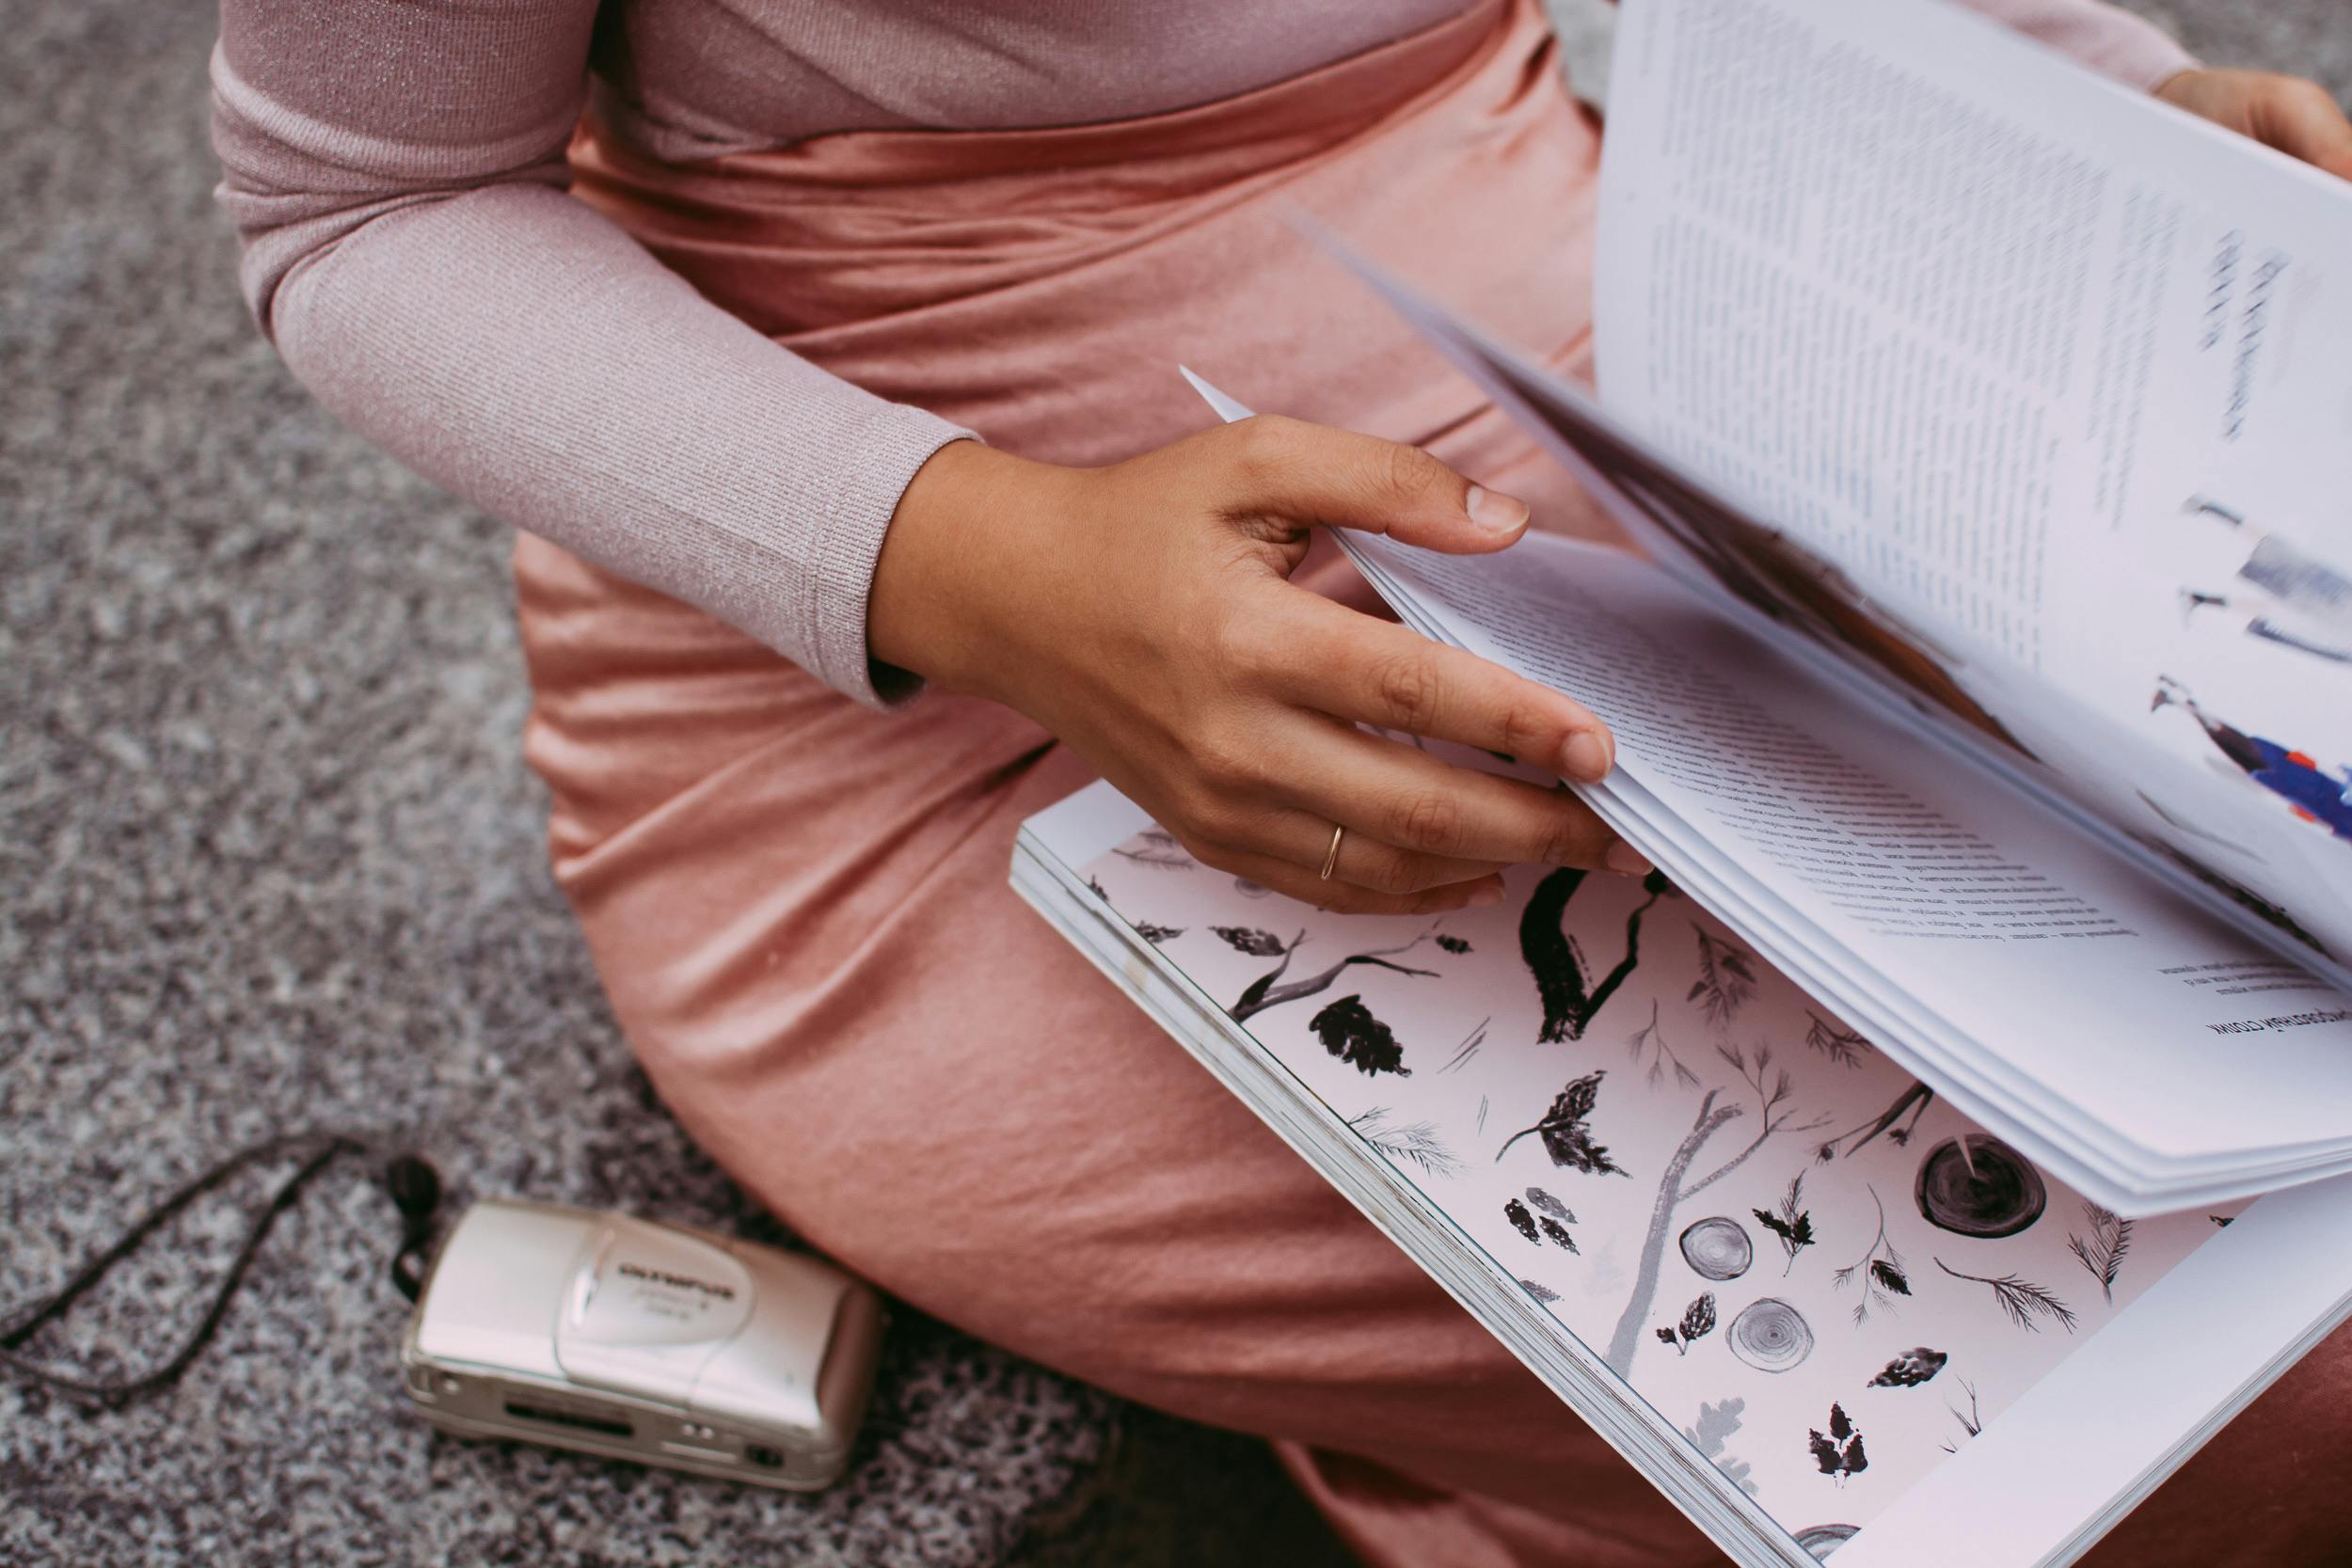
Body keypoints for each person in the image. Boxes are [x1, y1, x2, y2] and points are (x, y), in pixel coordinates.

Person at [212, 3, 2352, 1561]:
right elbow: (357, 207)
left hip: (1637, 478)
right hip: (932, 700)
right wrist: (984, 567)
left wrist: (2104, 105)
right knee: (2192, 1387)